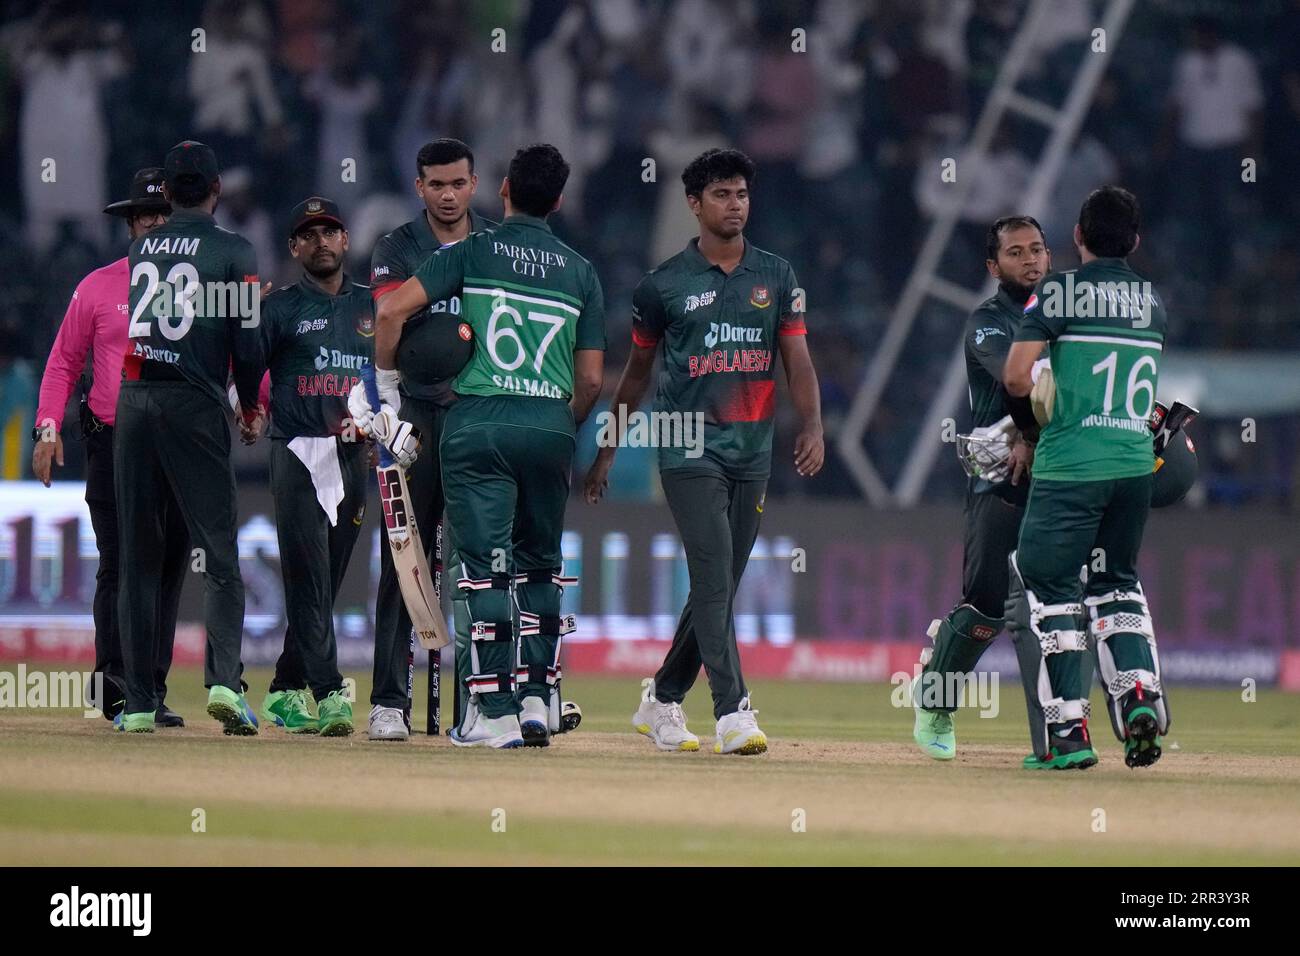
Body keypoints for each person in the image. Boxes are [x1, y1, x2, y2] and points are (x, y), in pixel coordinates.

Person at [355, 143, 605, 749]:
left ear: (499, 190)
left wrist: (382, 392)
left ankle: (489, 711)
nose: (447, 194)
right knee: (540, 566)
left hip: (476, 425)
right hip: (548, 428)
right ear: (562, 200)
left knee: (484, 573)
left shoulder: (477, 250)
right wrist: (552, 419)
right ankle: (539, 697)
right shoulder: (581, 269)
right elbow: (594, 379)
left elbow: (387, 314)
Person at [584, 147, 824, 755]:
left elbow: (797, 358)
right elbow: (635, 375)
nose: (734, 204)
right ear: (694, 204)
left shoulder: (777, 275)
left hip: (753, 449)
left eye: (741, 193)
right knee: (713, 577)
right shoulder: (662, 285)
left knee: (720, 585)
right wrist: (609, 447)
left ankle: (662, 699)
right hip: (687, 446)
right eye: (721, 194)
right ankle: (732, 712)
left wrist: (813, 426)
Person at [1003, 186, 1170, 770]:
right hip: (1133, 467)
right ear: (1137, 242)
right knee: (1116, 583)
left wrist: (1032, 426)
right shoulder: (1153, 303)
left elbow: (1018, 376)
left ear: (1076, 236)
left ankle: (1070, 731)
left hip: (1071, 466)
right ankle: (1139, 693)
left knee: (1048, 584)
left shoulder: (1059, 290)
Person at [113, 140, 265, 734]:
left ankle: (139, 702)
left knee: (137, 554)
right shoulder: (235, 251)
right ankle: (224, 683)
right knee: (218, 549)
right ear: (217, 189)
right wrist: (249, 402)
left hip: (134, 400)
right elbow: (246, 339)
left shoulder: (141, 247)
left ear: (169, 192)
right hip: (192, 402)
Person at [33, 168, 189, 728]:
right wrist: (48, 429)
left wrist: (254, 402)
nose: (152, 224)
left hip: (179, 444)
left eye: (162, 214)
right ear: (130, 224)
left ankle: (149, 690)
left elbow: (229, 357)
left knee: (170, 566)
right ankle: (116, 689)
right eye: (144, 215)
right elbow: (62, 362)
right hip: (112, 442)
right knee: (121, 565)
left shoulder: (203, 289)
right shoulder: (97, 286)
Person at [364, 138, 496, 741]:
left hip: (474, 413)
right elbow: (388, 321)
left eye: (457, 184)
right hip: (413, 413)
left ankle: (480, 700)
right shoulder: (397, 247)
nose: (447, 195)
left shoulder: (494, 244)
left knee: (476, 563)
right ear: (419, 187)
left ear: (474, 184)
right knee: (405, 556)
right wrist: (384, 403)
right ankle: (389, 700)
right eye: (435, 185)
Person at [246, 197, 373, 737]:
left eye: (330, 231)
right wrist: (247, 406)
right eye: (309, 234)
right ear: (295, 248)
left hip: (352, 454)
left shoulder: (374, 307)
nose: (321, 241)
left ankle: (281, 690)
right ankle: (328, 690)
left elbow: (388, 377)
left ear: (345, 241)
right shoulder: (278, 308)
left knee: (328, 578)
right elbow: (244, 367)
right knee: (308, 577)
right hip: (298, 451)